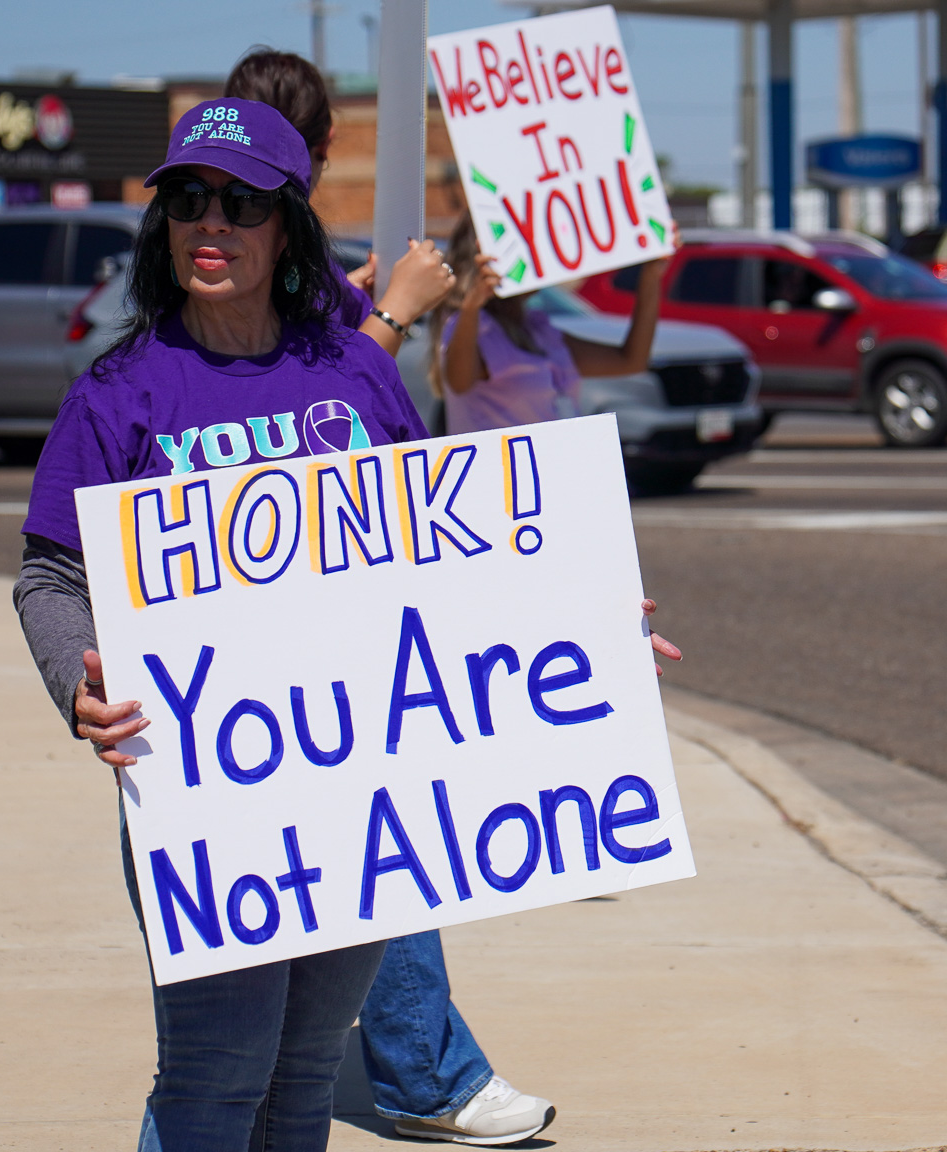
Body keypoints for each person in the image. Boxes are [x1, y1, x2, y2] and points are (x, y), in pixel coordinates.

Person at [14, 98, 428, 1152]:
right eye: (187, 198)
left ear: (285, 225)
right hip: (205, 790)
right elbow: (51, 578)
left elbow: (445, 554)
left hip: (352, 782)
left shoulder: (353, 372)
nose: (210, 222)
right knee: (213, 1082)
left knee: (299, 1085)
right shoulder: (119, 393)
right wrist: (78, 684)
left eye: (239, 202)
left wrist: (593, 622)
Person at [223, 48, 557, 1147]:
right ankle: (423, 1072)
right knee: (380, 840)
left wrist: (356, 306)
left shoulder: (254, 261)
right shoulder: (267, 264)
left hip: (287, 605)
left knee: (361, 841)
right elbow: (311, 428)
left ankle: (389, 1065)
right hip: (301, 605)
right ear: (315, 152)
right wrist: (393, 320)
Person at [223, 47, 454, 360]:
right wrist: (400, 307)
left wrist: (343, 292)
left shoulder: (229, 251)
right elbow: (335, 391)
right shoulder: (262, 255)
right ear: (326, 141)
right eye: (189, 198)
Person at [435, 215, 669, 434]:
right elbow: (459, 383)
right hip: (504, 474)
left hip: (553, 471)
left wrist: (651, 275)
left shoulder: (539, 331)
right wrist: (472, 304)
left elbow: (631, 361)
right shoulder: (473, 327)